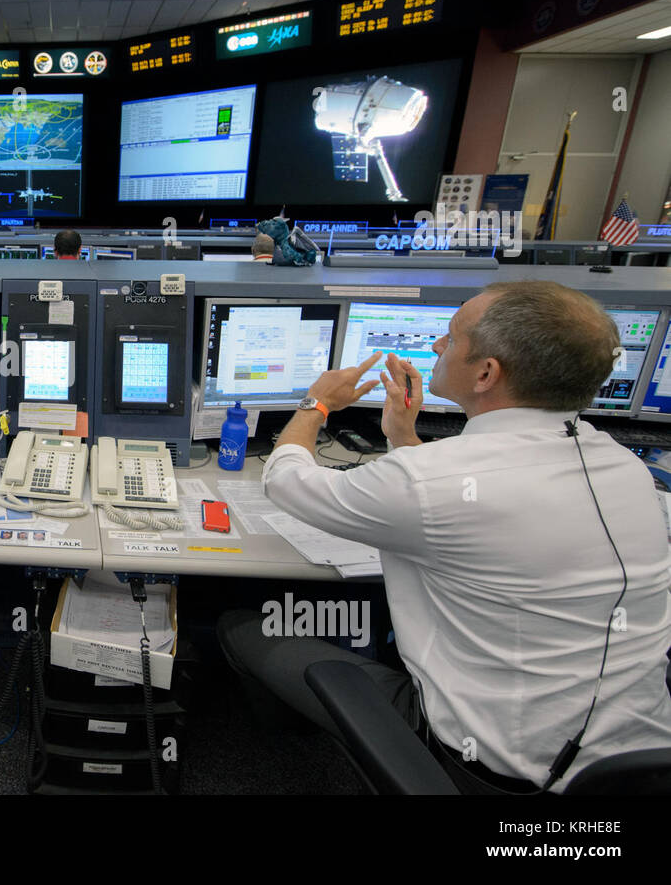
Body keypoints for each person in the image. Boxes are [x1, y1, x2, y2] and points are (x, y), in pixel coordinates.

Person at [219, 280, 671, 792]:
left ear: (486, 373)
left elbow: (286, 480)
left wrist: (317, 404)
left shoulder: (432, 481)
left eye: (450, 338)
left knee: (240, 628)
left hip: (489, 769)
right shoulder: (630, 473)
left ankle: (279, 764)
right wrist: (403, 440)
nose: (435, 346)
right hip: (639, 772)